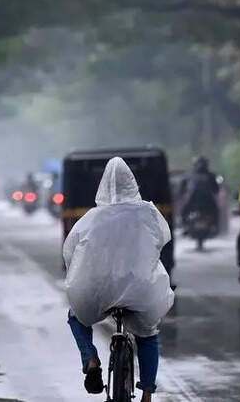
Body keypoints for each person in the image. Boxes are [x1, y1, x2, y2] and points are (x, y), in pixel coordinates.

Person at [63, 157, 174, 401]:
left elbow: (69, 253)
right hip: (140, 289)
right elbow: (162, 240)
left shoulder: (90, 218)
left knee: (76, 317)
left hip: (96, 291)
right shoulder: (149, 213)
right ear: (132, 184)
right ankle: (146, 394)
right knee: (147, 334)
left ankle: (90, 359)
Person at [179, 156, 221, 233]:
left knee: (184, 209)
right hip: (204, 200)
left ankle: (184, 225)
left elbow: (182, 188)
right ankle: (215, 226)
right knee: (216, 210)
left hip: (195, 199)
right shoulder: (210, 175)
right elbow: (216, 189)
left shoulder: (191, 175)